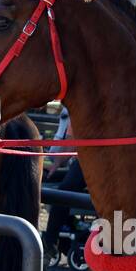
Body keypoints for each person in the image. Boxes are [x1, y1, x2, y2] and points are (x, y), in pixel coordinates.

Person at [41, 106, 87, 260]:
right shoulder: (76, 111)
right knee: (63, 189)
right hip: (85, 156)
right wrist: (57, 161)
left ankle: (50, 240)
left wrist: (56, 161)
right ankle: (60, 236)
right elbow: (70, 140)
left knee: (65, 190)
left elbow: (72, 142)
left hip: (93, 157)